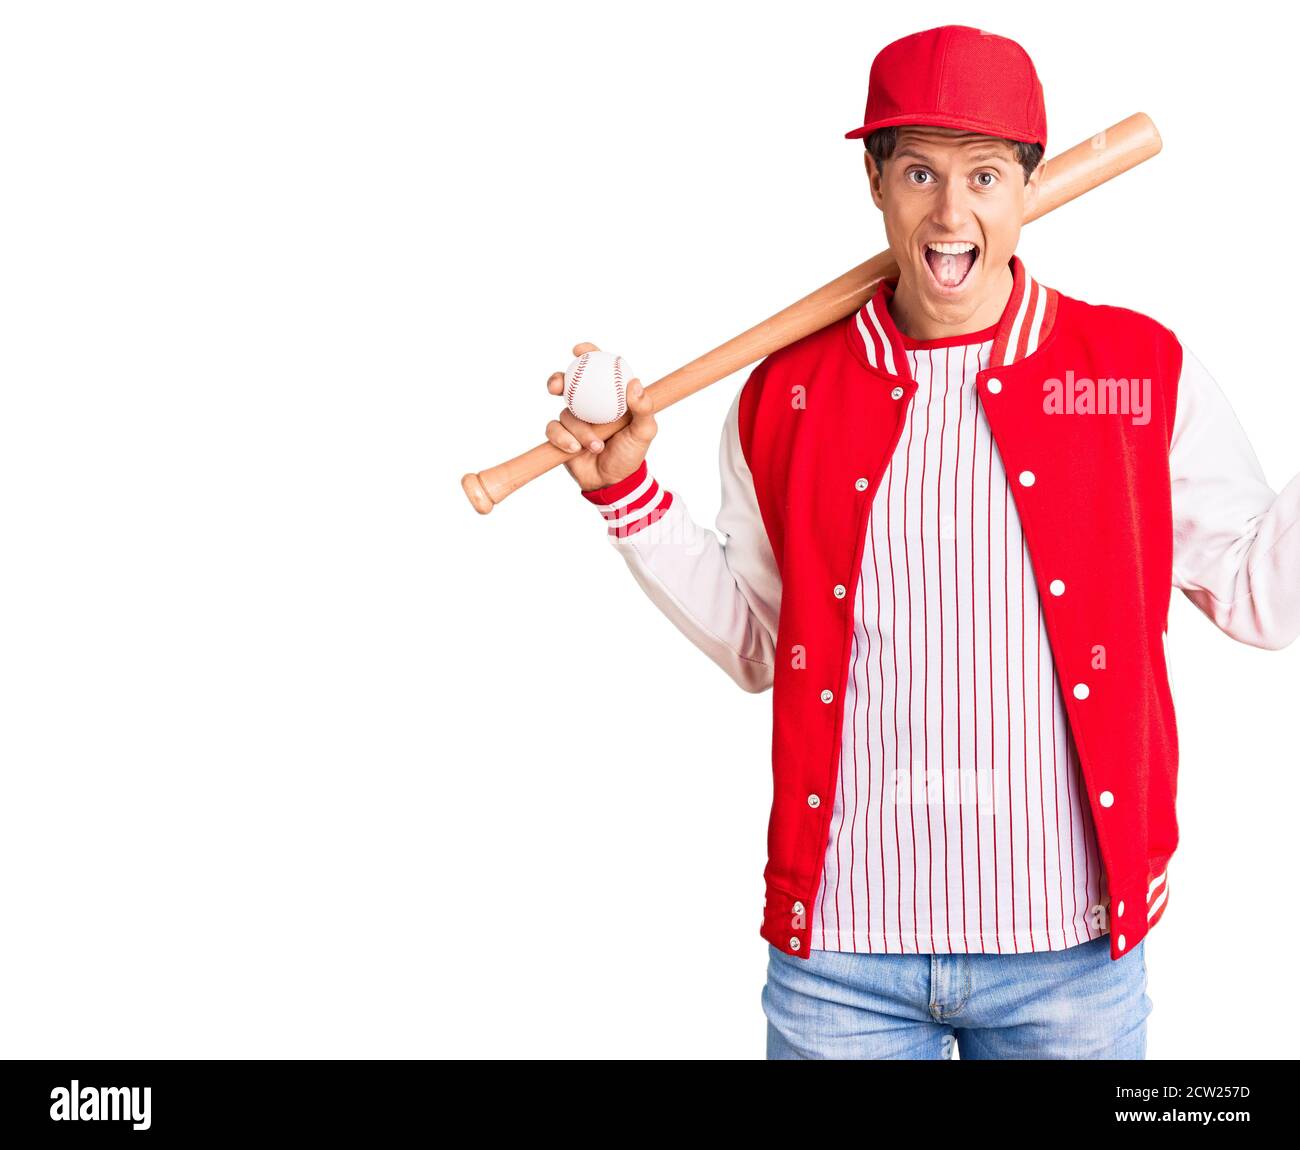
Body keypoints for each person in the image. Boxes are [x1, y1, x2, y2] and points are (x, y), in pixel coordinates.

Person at [542, 25, 1300, 1059]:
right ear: (874, 183)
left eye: (984, 174)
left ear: (1027, 190)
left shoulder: (1133, 373)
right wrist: (623, 489)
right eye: (919, 172)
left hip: (1069, 952)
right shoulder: (787, 394)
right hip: (839, 962)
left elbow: (1263, 596)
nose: (951, 212)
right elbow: (759, 638)